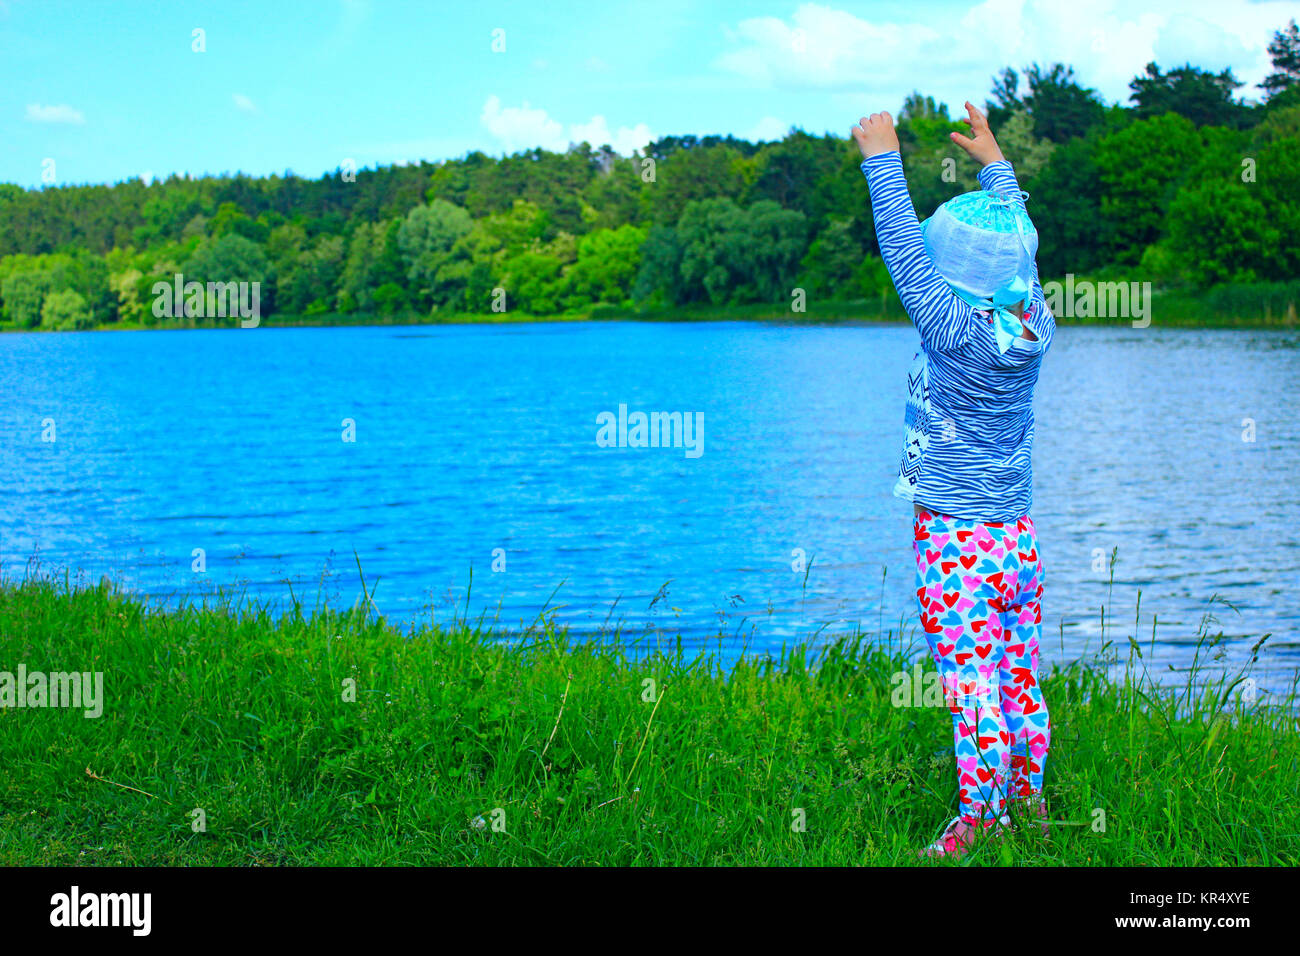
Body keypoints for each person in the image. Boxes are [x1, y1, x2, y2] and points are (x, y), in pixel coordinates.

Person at [853, 102, 1055, 860]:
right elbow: (1021, 254)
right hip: (1018, 540)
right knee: (1018, 676)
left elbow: (902, 247)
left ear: (950, 277)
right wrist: (997, 165)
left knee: (970, 685)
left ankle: (978, 820)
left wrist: (882, 157)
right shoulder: (1034, 322)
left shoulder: (949, 330)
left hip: (956, 543)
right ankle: (1027, 802)